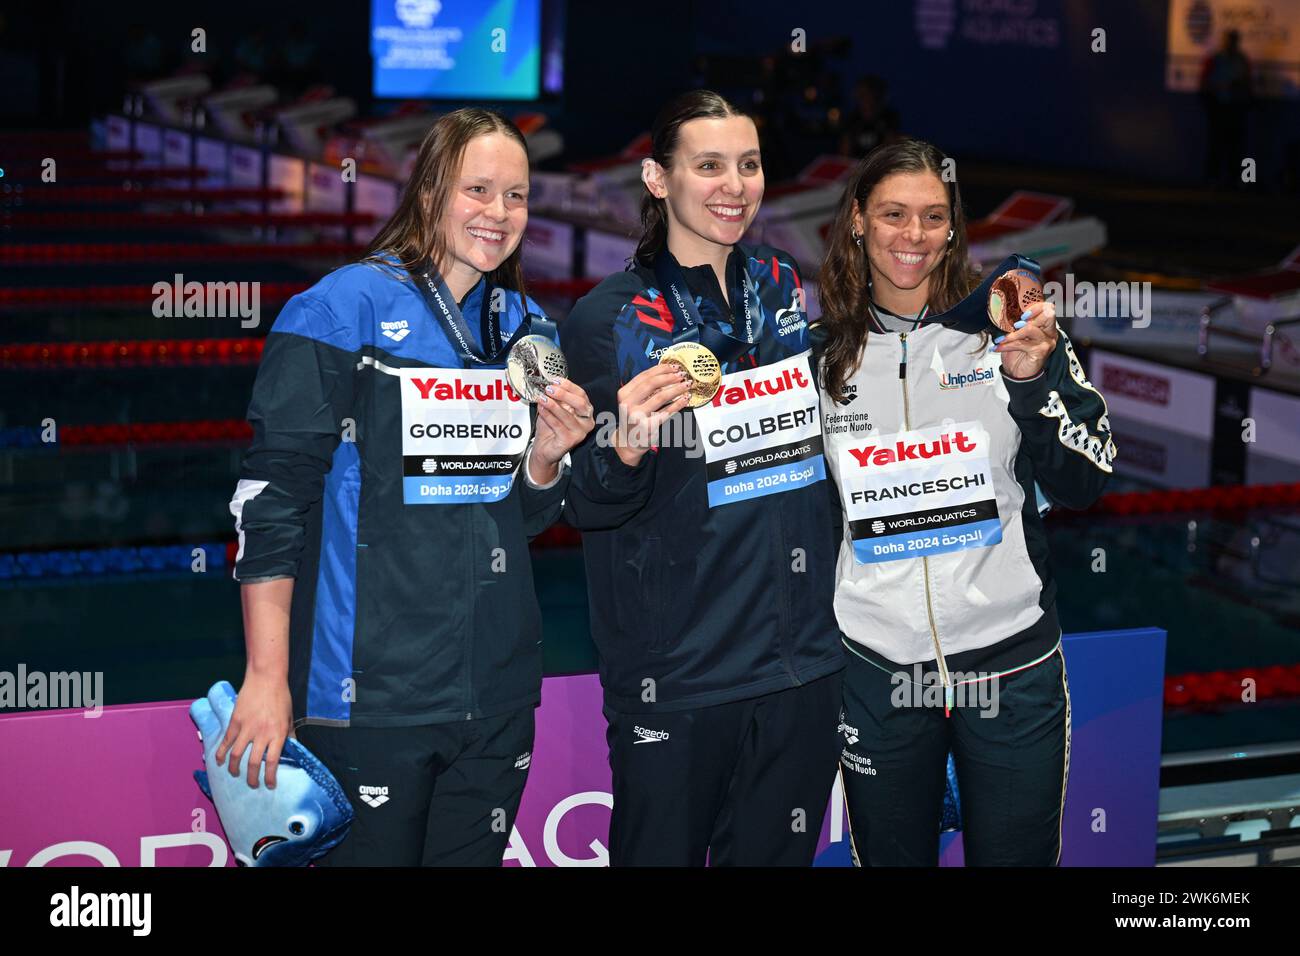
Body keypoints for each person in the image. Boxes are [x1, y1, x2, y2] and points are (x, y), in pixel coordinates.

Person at [220, 108, 595, 866]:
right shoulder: (338, 311)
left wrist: (548, 457)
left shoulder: (529, 331)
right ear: (428, 193)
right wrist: (267, 677)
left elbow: (518, 518)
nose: (499, 214)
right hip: (368, 696)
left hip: (495, 693)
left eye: (516, 196)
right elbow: (272, 502)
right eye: (478, 190)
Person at [562, 90, 845, 866]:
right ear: (659, 179)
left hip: (801, 669)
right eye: (709, 165)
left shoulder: (786, 289)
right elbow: (579, 501)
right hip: (680, 680)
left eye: (748, 165)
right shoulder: (609, 320)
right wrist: (623, 445)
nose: (734, 185)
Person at [814, 138, 1116, 866]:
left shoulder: (1014, 330)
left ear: (953, 227)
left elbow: (1087, 482)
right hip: (879, 669)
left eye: (932, 217)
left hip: (1011, 667)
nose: (912, 236)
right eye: (892, 214)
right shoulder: (820, 355)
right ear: (857, 219)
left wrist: (1032, 382)